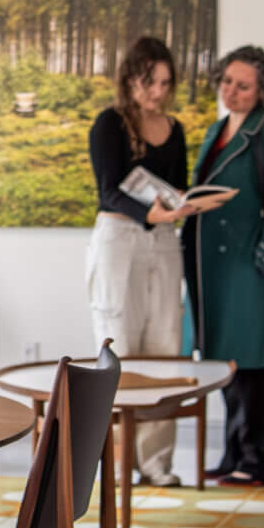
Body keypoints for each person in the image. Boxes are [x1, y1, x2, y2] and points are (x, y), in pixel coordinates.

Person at [86, 36, 207, 485]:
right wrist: (151, 212)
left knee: (164, 343)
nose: (159, 91)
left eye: (166, 82)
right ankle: (117, 466)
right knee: (119, 342)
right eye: (150, 81)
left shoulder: (174, 130)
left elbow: (177, 186)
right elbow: (108, 191)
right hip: (118, 239)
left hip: (163, 242)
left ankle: (157, 464)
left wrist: (182, 207)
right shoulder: (109, 124)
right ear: (130, 77)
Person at [182, 44, 264, 489]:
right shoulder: (217, 130)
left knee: (258, 367)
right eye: (227, 82)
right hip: (212, 267)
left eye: (243, 86)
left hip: (250, 264)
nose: (231, 91)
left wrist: (261, 257)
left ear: (262, 91)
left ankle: (260, 463)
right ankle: (233, 453)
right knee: (229, 367)